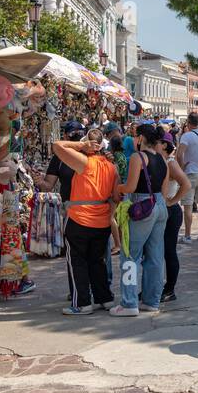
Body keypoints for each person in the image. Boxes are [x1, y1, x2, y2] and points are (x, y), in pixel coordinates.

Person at [110, 123, 174, 316]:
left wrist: (117, 188)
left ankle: (129, 303)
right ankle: (152, 300)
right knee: (155, 257)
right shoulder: (163, 160)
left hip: (142, 206)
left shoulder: (138, 157)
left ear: (140, 139)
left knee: (130, 255)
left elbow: (129, 187)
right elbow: (163, 191)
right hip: (160, 206)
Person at [55, 128, 118, 315]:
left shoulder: (84, 161)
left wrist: (81, 145)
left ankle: (82, 303)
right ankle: (104, 298)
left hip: (79, 218)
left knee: (78, 262)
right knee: (98, 261)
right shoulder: (111, 166)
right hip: (102, 220)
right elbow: (115, 196)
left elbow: (57, 146)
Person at [155, 132, 191, 303]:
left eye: (157, 142)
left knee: (169, 251)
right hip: (161, 210)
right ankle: (153, 286)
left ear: (164, 145)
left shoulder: (170, 162)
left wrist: (173, 200)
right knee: (155, 251)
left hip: (171, 212)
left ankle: (170, 289)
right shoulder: (158, 160)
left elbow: (186, 184)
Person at [175, 113, 198, 242]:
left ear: (189, 122)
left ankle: (188, 235)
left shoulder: (186, 136)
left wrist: (181, 168)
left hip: (190, 173)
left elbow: (179, 154)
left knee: (188, 205)